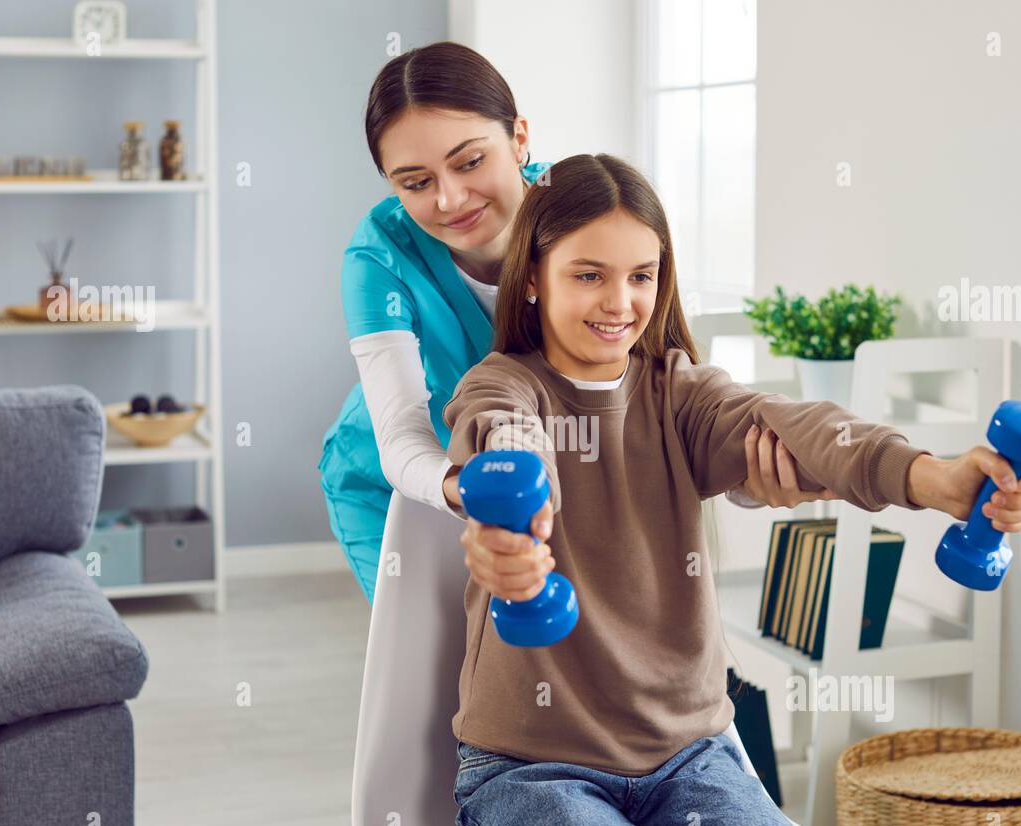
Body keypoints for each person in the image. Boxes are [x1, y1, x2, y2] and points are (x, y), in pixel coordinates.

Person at [441, 154, 1021, 826]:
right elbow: (501, 434)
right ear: (535, 278)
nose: (620, 302)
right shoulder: (506, 387)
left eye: (642, 275)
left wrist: (934, 478)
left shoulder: (678, 393)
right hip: (534, 766)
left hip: (689, 758)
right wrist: (502, 503)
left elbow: (799, 424)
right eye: (589, 274)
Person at [319, 41, 811, 605]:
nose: (450, 198)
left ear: (519, 137)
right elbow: (402, 430)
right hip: (396, 479)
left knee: (535, 666)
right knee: (430, 676)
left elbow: (667, 394)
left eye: (470, 161)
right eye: (415, 182)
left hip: (539, 471)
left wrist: (750, 482)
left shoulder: (587, 206)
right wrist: (469, 489)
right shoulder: (379, 255)